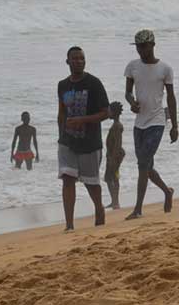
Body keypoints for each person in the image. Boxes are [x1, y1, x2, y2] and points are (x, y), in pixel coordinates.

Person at [123, 29, 177, 220]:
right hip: (139, 124)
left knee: (143, 164)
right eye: (138, 47)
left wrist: (175, 126)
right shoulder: (132, 67)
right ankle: (167, 191)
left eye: (144, 46)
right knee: (144, 165)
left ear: (153, 45)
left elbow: (171, 97)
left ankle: (138, 209)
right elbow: (128, 93)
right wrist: (132, 103)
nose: (141, 50)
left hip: (157, 121)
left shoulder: (165, 69)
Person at [56, 46, 110, 231]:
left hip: (90, 142)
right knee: (67, 179)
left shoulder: (94, 83)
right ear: (67, 62)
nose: (79, 61)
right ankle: (69, 224)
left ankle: (99, 208)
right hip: (67, 142)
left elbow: (106, 112)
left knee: (91, 182)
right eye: (75, 58)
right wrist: (60, 134)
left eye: (82, 58)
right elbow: (61, 112)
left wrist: (82, 120)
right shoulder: (62, 85)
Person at [104, 102, 124, 210]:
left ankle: (115, 202)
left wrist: (113, 158)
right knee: (112, 177)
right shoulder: (115, 125)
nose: (108, 113)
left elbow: (117, 144)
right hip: (112, 155)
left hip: (114, 156)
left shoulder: (117, 126)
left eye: (109, 111)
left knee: (111, 178)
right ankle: (114, 201)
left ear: (114, 112)